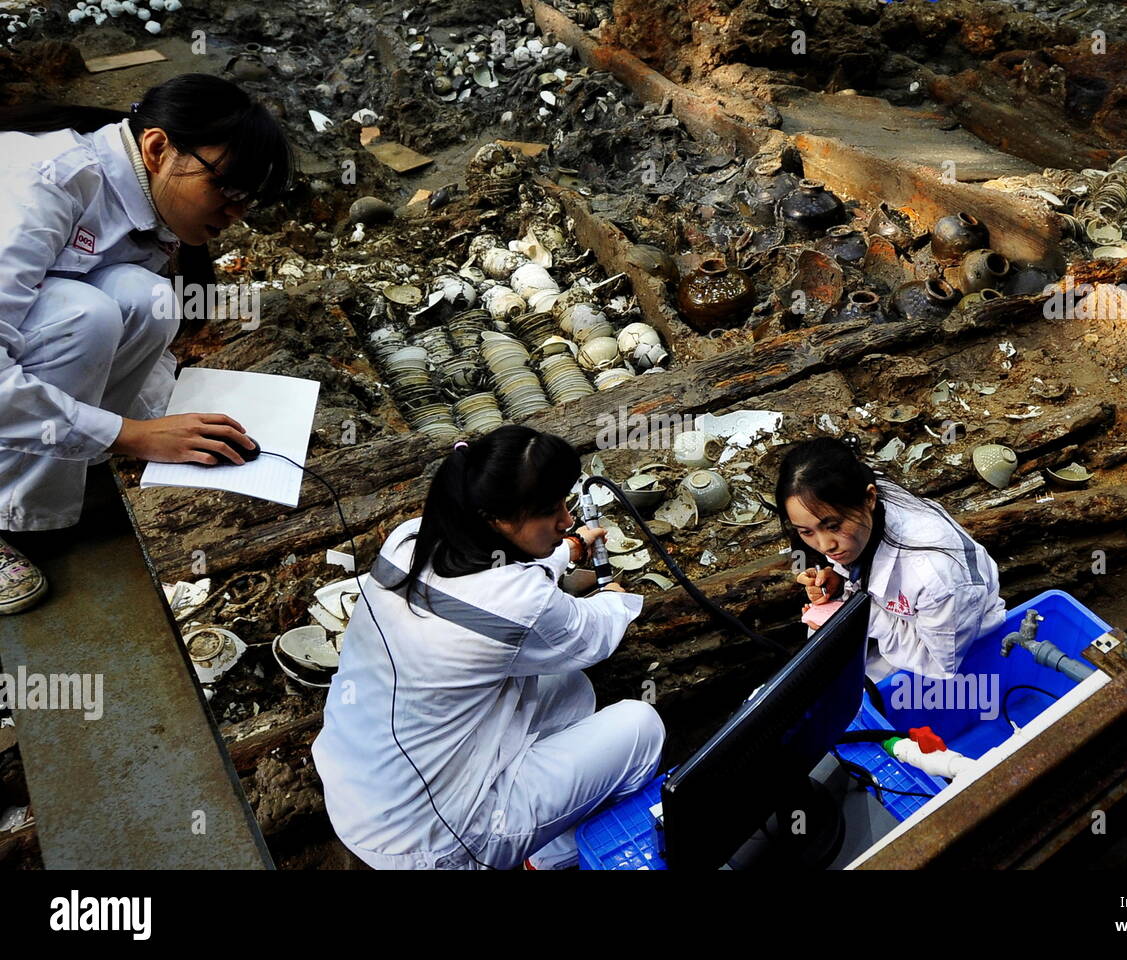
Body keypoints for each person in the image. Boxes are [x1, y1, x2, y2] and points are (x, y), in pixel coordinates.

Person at [0, 73, 294, 614]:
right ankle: (8, 517)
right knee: (84, 315)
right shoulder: (41, 185)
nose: (236, 215)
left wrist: (174, 422)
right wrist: (132, 436)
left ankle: (54, 483)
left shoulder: (141, 198)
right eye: (227, 190)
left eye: (249, 201)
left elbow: (139, 325)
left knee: (141, 294)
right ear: (158, 148)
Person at [311, 426, 665, 870]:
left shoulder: (409, 541)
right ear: (497, 519)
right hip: (432, 839)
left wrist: (565, 551)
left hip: (359, 786)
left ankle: (545, 810)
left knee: (569, 689)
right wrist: (615, 596)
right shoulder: (519, 605)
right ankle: (547, 858)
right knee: (641, 727)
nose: (566, 520)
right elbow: (591, 633)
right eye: (549, 511)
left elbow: (504, 577)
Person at [777, 436, 1006, 682]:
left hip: (953, 651)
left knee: (848, 689)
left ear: (870, 498)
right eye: (806, 531)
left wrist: (861, 615)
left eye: (833, 526)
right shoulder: (854, 490)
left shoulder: (935, 577)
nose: (825, 546)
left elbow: (941, 664)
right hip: (896, 619)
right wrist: (839, 580)